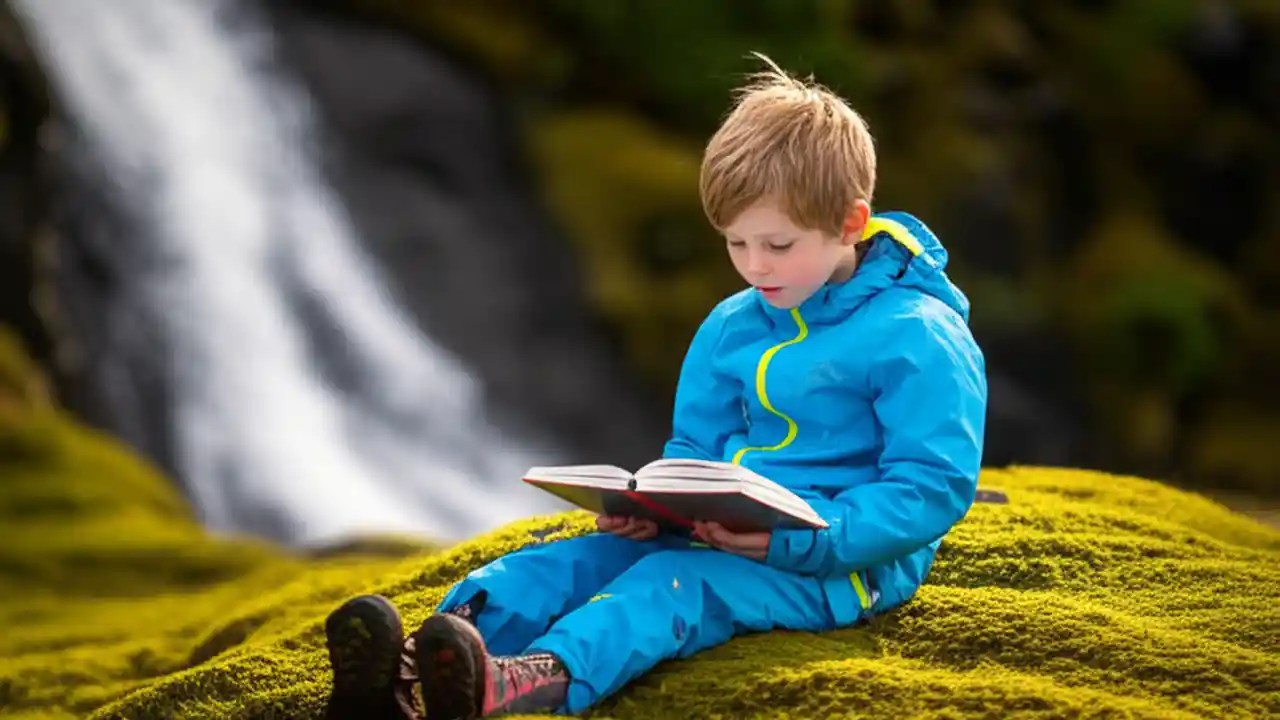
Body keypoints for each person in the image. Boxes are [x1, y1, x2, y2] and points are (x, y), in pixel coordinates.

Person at [321, 52, 988, 720]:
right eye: (736, 245)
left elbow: (931, 487)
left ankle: (520, 685)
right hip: (720, 527)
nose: (755, 268)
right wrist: (654, 508)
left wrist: (809, 542)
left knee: (673, 586)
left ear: (849, 222)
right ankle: (408, 671)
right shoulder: (732, 325)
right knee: (567, 564)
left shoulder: (918, 334)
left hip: (845, 568)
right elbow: (694, 448)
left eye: (778, 246)